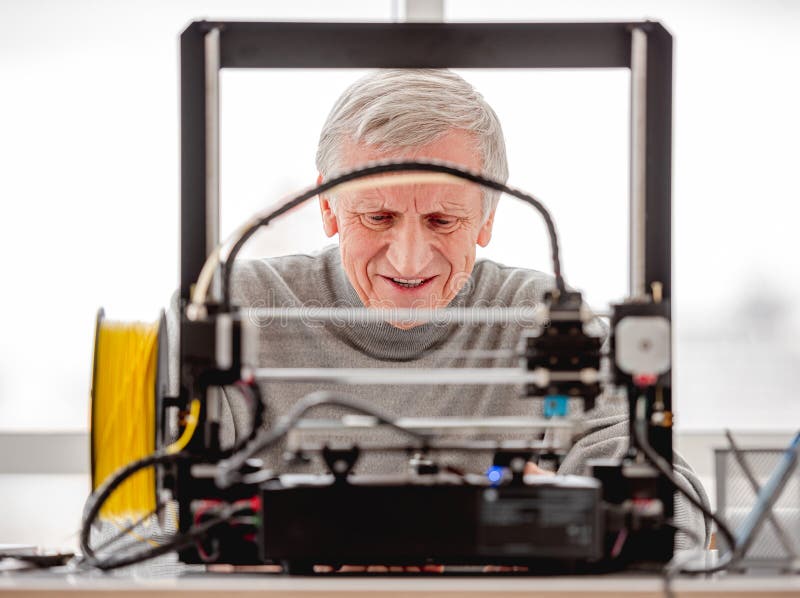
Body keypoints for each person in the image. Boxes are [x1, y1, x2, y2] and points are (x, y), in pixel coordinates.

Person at [171, 69, 709, 548]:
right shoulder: (235, 311)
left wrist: (561, 520)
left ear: (487, 217)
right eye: (378, 218)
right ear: (328, 208)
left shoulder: (549, 321)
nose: (408, 259)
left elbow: (678, 515)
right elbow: (137, 515)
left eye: (442, 221)